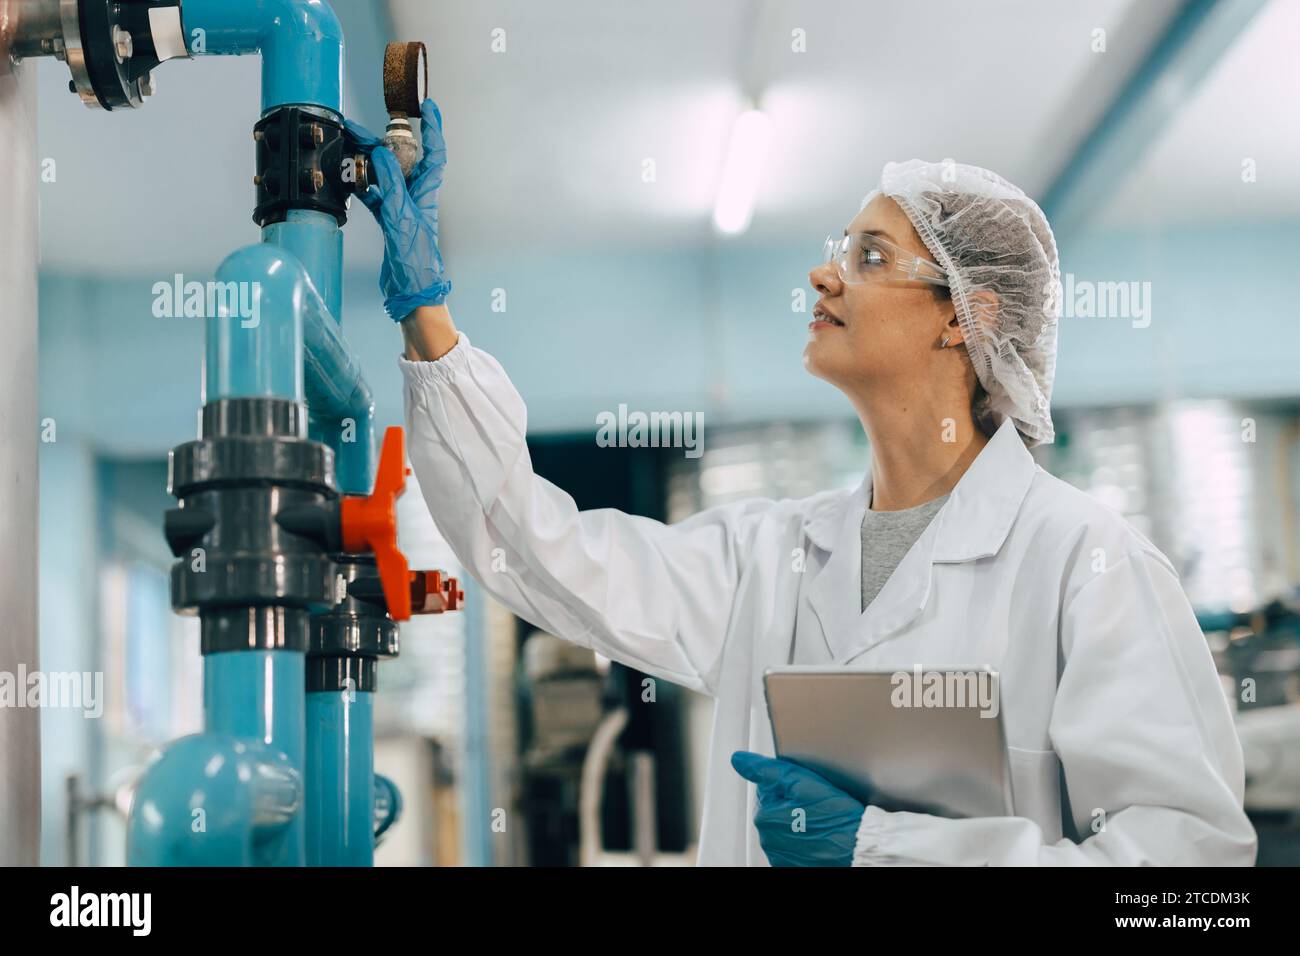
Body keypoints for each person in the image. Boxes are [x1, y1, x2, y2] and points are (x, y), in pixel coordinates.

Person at [345, 102, 1257, 866]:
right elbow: (538, 553)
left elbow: (1185, 879)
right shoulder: (769, 558)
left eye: (869, 256)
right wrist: (427, 317)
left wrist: (885, 849)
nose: (823, 272)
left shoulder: (1085, 564)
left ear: (966, 316)